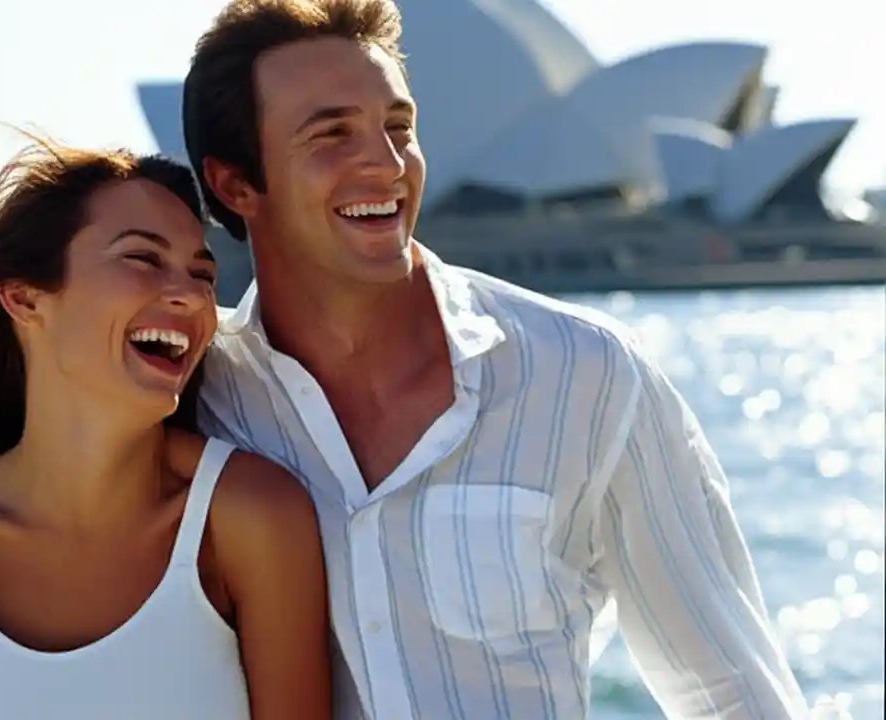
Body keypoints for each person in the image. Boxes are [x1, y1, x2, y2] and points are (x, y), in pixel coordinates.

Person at [180, 1, 808, 718]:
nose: (387, 166)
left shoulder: (588, 376)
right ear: (235, 185)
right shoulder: (196, 402)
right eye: (331, 135)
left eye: (399, 128)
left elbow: (734, 692)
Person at [0, 136, 331, 719]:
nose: (188, 295)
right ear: (26, 299)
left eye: (202, 274)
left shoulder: (249, 516)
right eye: (142, 258)